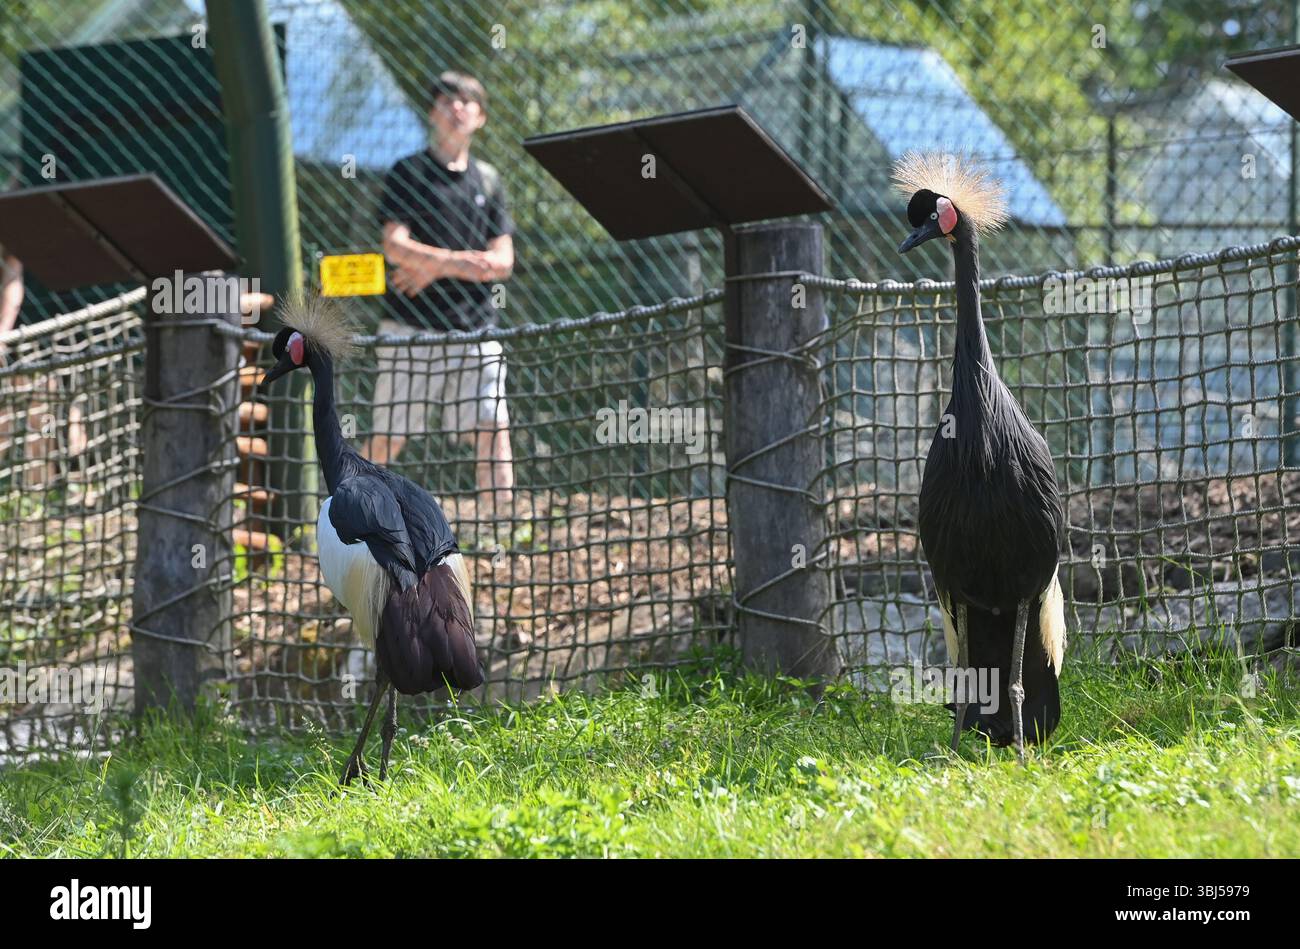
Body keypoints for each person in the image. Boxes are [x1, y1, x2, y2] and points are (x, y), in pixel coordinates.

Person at [367, 70, 516, 516]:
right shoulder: (408, 173)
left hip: (476, 331)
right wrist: (458, 264)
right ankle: (352, 524)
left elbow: (504, 261)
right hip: (410, 330)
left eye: (467, 101)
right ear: (433, 112)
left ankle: (504, 530)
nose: (456, 108)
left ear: (481, 117)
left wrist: (430, 266)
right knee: (389, 436)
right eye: (447, 100)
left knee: (493, 430)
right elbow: (394, 247)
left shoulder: (489, 182)